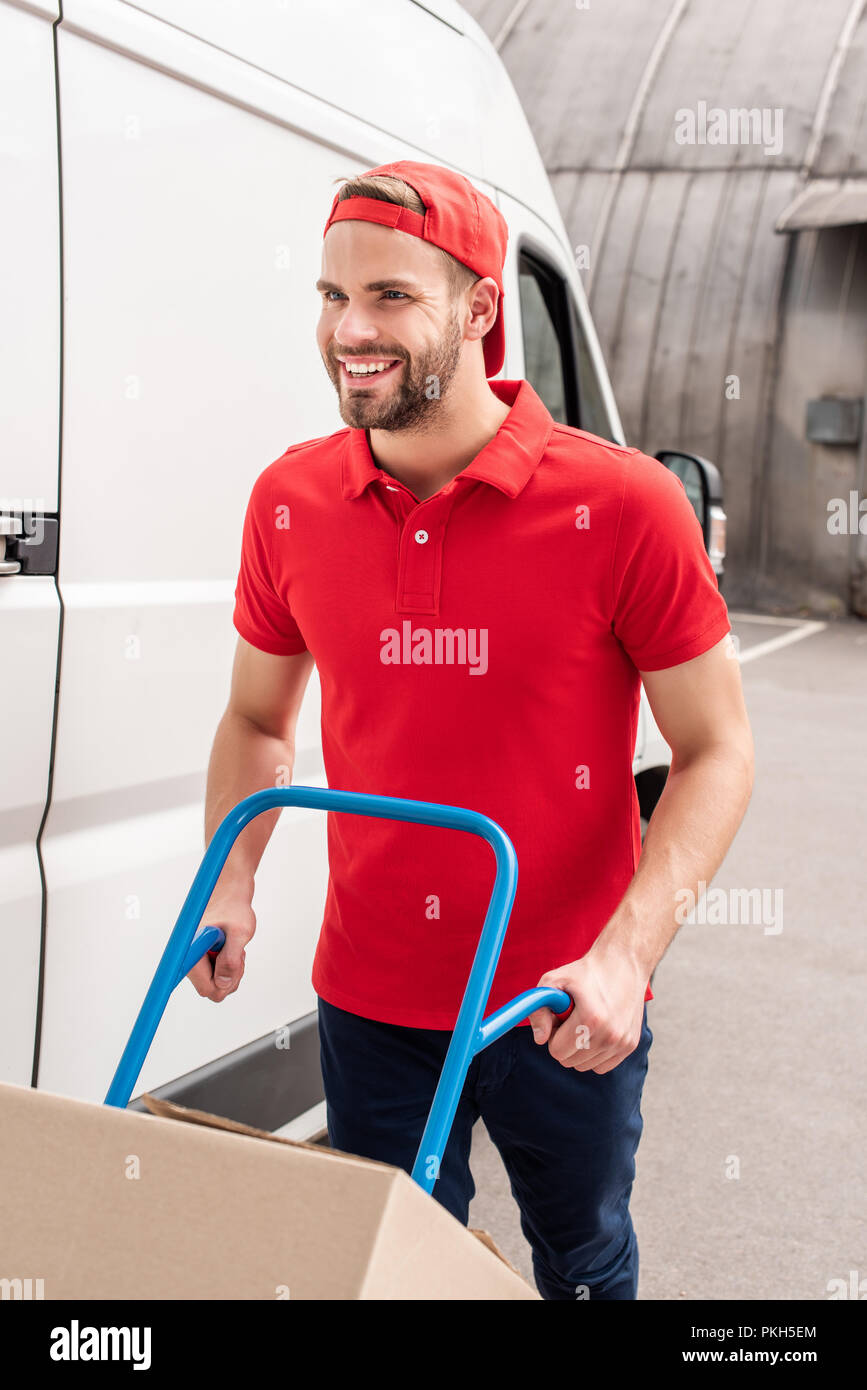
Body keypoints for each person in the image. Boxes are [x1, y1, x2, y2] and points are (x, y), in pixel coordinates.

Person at [192, 160, 754, 1300]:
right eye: (331, 294)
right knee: (397, 1268)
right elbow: (258, 718)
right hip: (371, 995)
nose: (350, 329)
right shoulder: (289, 502)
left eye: (392, 296)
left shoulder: (625, 506)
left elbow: (718, 751)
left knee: (582, 1260)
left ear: (480, 309)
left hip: (562, 1004)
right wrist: (228, 880)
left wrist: (625, 957)